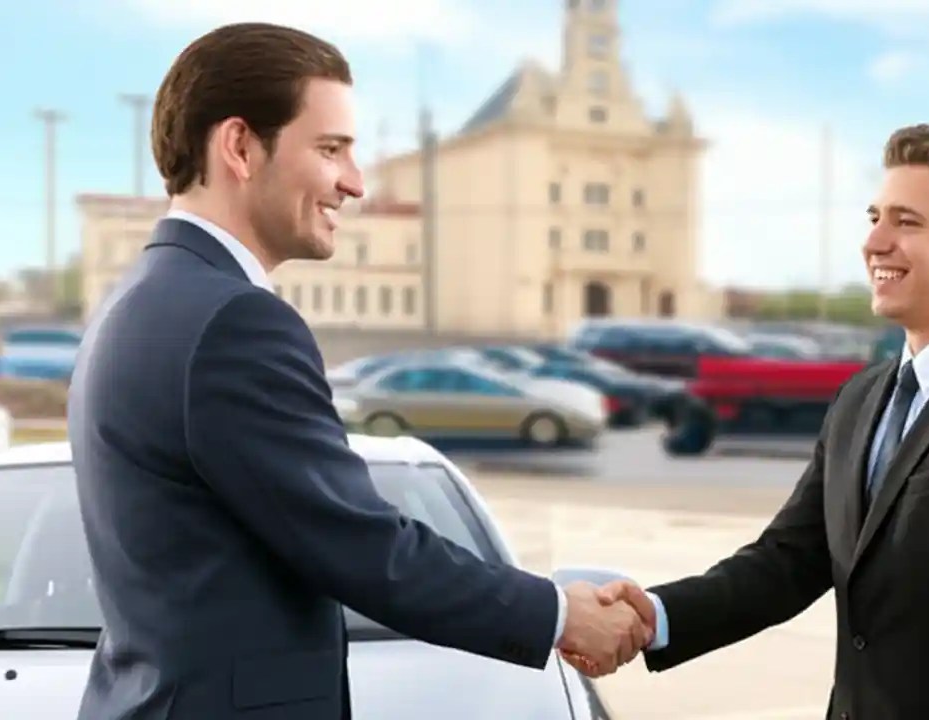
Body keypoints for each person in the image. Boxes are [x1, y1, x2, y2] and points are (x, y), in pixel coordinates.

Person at [67, 23, 650, 720]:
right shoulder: (233, 322)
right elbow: (361, 544)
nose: (355, 181)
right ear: (240, 146)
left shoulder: (138, 301)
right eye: (331, 148)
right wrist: (559, 615)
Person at [581, 124, 929, 719]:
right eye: (874, 217)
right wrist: (653, 615)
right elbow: (789, 559)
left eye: (906, 221)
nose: (874, 241)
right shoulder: (859, 398)